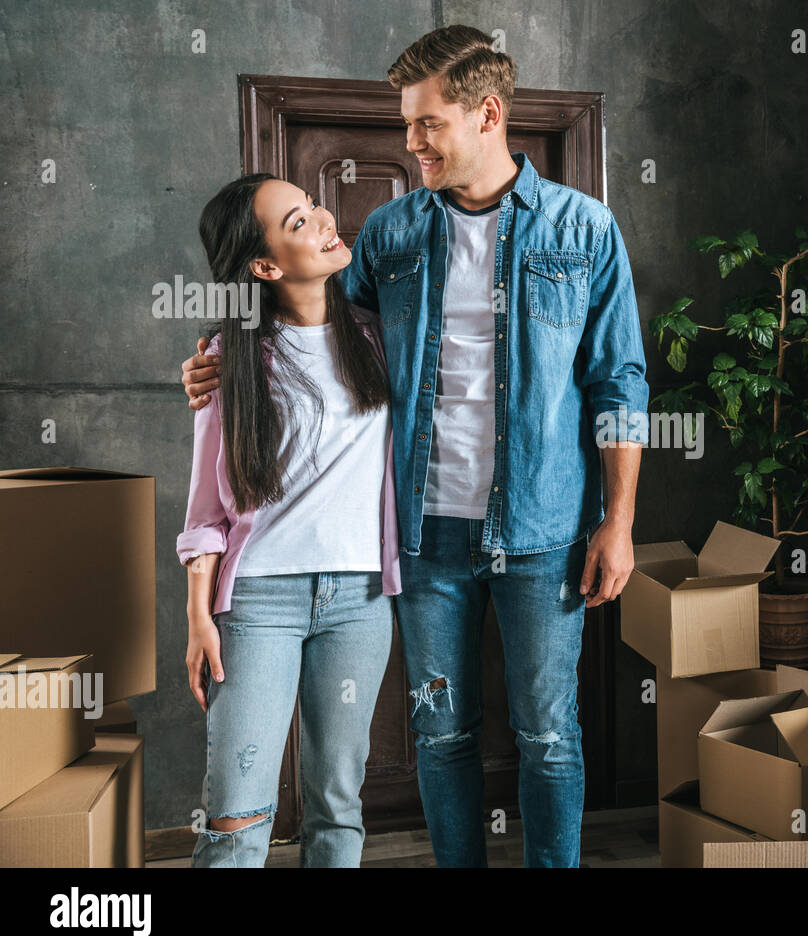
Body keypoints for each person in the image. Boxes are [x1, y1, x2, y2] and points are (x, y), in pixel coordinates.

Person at [182, 25, 649, 868]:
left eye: (426, 124)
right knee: (441, 733)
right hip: (423, 540)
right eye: (407, 123)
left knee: (549, 735)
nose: (410, 142)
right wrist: (222, 359)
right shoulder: (391, 236)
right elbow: (312, 332)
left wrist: (618, 523)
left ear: (488, 113)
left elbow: (622, 385)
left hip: (544, 534)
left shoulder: (584, 232)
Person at [178, 172, 401, 867]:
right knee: (235, 820)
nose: (326, 220)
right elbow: (206, 513)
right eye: (299, 221)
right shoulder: (227, 361)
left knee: (337, 811)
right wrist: (198, 614)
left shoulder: (380, 337)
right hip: (257, 604)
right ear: (266, 265)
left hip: (361, 600)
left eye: (312, 206)